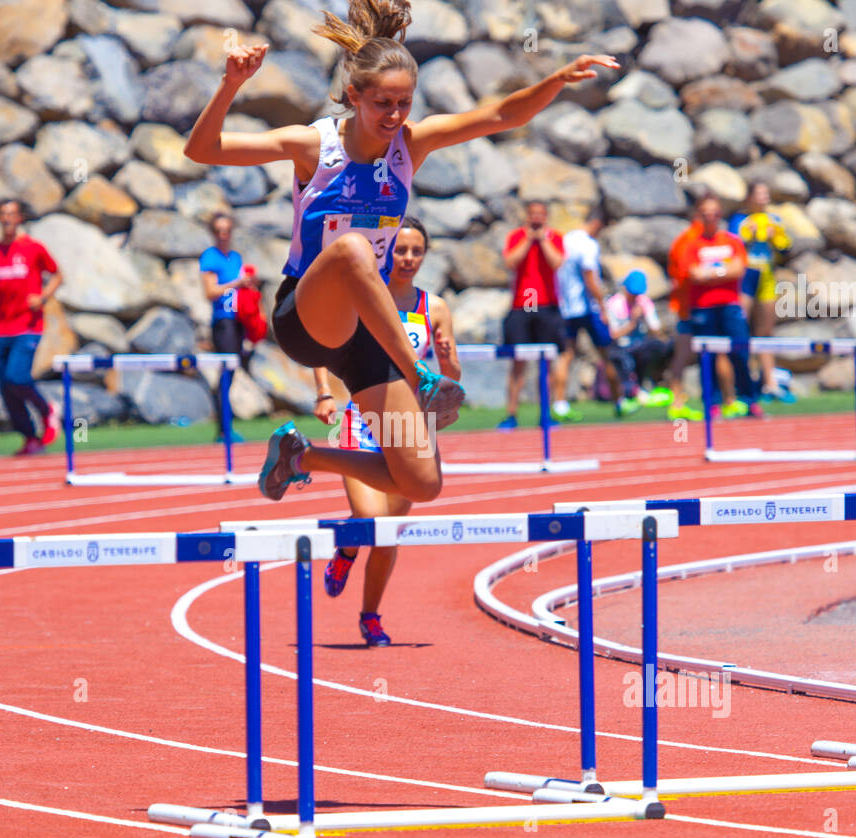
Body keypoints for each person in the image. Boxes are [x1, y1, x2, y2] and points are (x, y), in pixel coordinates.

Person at [183, 0, 619, 503]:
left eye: (404, 104)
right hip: (308, 317)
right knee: (351, 250)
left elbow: (501, 114)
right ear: (354, 95)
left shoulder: (409, 146)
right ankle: (424, 379)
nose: (394, 116)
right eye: (382, 104)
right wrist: (231, 84)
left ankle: (301, 455)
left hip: (370, 330)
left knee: (422, 483)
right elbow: (202, 149)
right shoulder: (313, 146)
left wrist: (556, 79)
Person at [313, 218, 458, 646]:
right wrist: (324, 393)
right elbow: (321, 345)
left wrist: (448, 361)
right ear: (384, 250)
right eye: (400, 250)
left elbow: (452, 376)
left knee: (388, 532)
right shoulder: (360, 293)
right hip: (360, 421)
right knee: (371, 520)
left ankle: (371, 616)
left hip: (410, 428)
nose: (408, 259)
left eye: (416, 251)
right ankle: (347, 548)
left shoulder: (435, 308)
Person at [0, 198, 63, 455]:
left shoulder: (33, 248)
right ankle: (30, 438)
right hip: (0, 328)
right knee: (5, 388)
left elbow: (57, 274)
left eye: (11, 214)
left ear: (20, 218)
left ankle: (47, 411)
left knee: (17, 377)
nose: (6, 219)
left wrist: (43, 297)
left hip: (27, 324)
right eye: (2, 214)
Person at [666, 192, 760, 421]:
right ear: (699, 215)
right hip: (701, 308)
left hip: (729, 304)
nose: (710, 218)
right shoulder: (690, 243)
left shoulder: (730, 241)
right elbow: (694, 274)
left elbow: (738, 269)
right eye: (705, 214)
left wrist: (711, 273)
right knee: (705, 356)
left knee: (739, 351)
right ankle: (713, 402)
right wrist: (722, 273)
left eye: (715, 214)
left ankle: (747, 400)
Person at [554, 204, 629, 418]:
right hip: (587, 309)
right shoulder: (588, 245)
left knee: (566, 356)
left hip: (566, 307)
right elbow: (590, 278)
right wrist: (603, 308)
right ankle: (620, 401)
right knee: (607, 353)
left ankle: (559, 404)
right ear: (598, 223)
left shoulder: (566, 240)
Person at [500, 200, 569, 427]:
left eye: (541, 215)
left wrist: (543, 240)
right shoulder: (517, 236)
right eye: (533, 214)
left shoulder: (555, 237)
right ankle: (511, 414)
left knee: (546, 362)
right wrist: (529, 239)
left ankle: (545, 415)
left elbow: (557, 263)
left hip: (547, 306)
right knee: (518, 362)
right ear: (527, 215)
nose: (537, 219)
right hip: (523, 305)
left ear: (546, 216)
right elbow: (510, 262)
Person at [729, 181, 793, 402]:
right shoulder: (739, 220)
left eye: (766, 193)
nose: (764, 197)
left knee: (765, 331)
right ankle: (742, 383)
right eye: (759, 193)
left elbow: (786, 249)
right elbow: (732, 247)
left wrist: (776, 237)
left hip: (766, 276)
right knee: (739, 329)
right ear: (749, 197)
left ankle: (770, 383)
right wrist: (749, 235)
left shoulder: (774, 220)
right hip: (746, 276)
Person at [199, 212, 255, 442]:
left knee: (231, 372)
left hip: (238, 319)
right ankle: (224, 429)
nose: (223, 236)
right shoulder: (210, 257)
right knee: (226, 372)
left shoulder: (235, 257)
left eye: (227, 231)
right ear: (213, 234)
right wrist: (236, 283)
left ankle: (225, 426)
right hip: (223, 321)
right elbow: (210, 292)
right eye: (219, 232)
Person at [604, 270, 672, 409]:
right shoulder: (613, 304)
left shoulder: (644, 303)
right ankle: (629, 392)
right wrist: (633, 323)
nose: (634, 296)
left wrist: (645, 317)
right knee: (619, 357)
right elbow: (613, 335)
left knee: (662, 346)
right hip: (620, 347)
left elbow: (656, 330)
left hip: (640, 345)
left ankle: (651, 383)